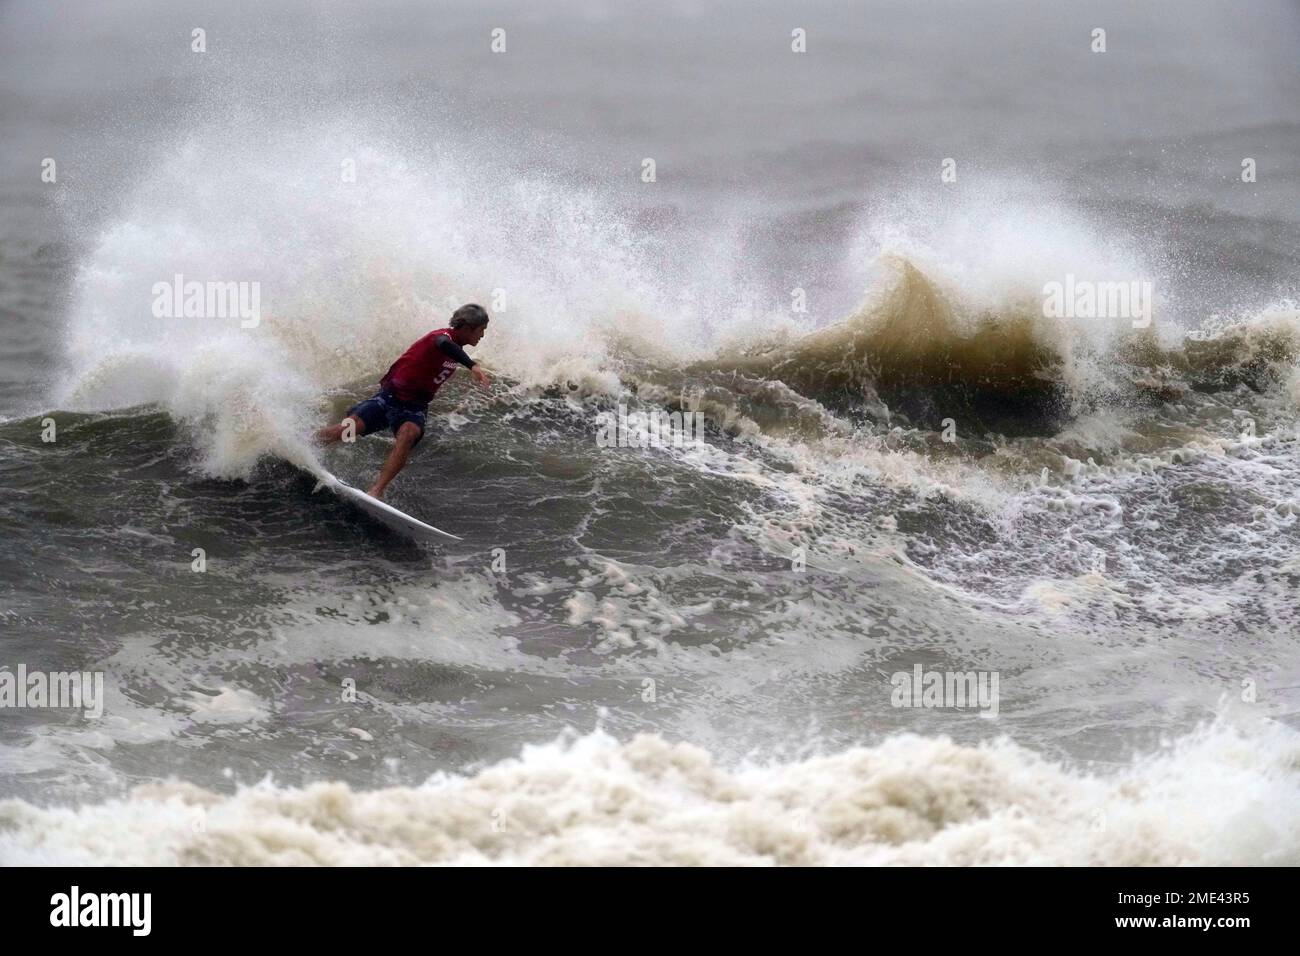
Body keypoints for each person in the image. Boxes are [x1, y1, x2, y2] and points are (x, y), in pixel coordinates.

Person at [317, 303, 491, 499]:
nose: (482, 335)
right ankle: (303, 445)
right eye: (481, 330)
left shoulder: (456, 348)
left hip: (414, 407)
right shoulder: (441, 337)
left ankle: (376, 491)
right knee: (345, 431)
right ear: (467, 327)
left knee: (408, 434)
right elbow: (443, 344)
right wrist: (473, 366)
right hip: (388, 398)